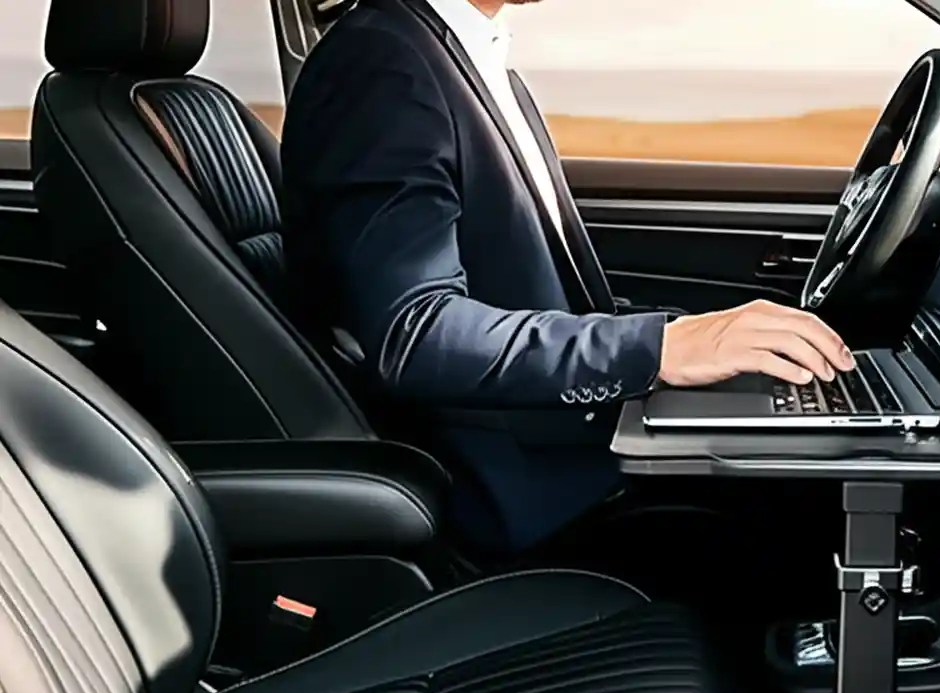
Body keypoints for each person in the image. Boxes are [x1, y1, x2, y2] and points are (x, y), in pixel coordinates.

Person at [281, 0, 854, 552]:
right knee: (832, 510)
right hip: (523, 494)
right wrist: (657, 348)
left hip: (569, 448)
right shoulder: (381, 65)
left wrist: (696, 341)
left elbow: (522, 285)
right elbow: (416, 332)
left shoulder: (462, 53)